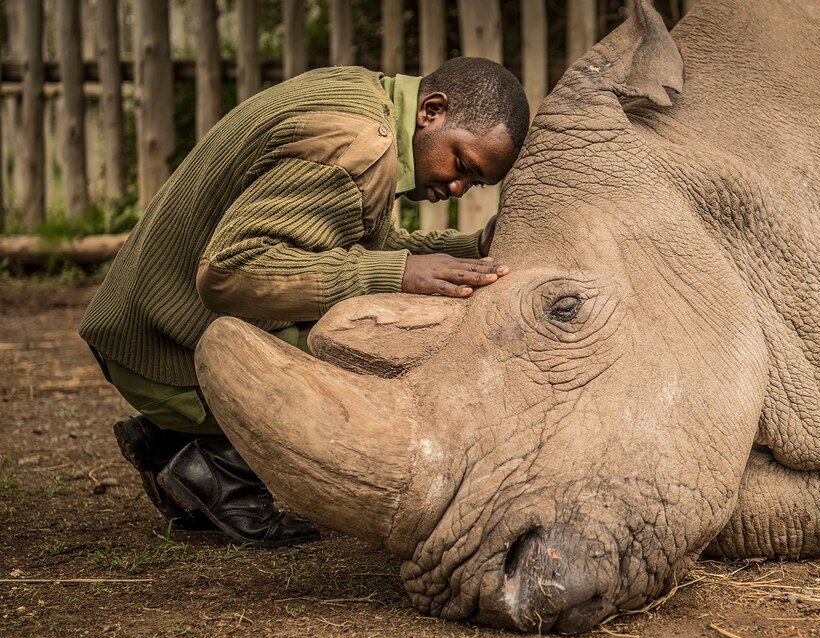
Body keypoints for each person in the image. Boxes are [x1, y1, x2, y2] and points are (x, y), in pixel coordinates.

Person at [78, 57, 531, 547]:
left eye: (476, 182)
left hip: (142, 327)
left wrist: (470, 251)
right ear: (432, 111)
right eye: (462, 164)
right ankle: (217, 465)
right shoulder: (359, 146)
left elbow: (355, 247)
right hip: (161, 351)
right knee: (392, 345)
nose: (458, 187)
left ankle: (172, 438)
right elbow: (229, 272)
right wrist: (396, 275)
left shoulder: (365, 99)